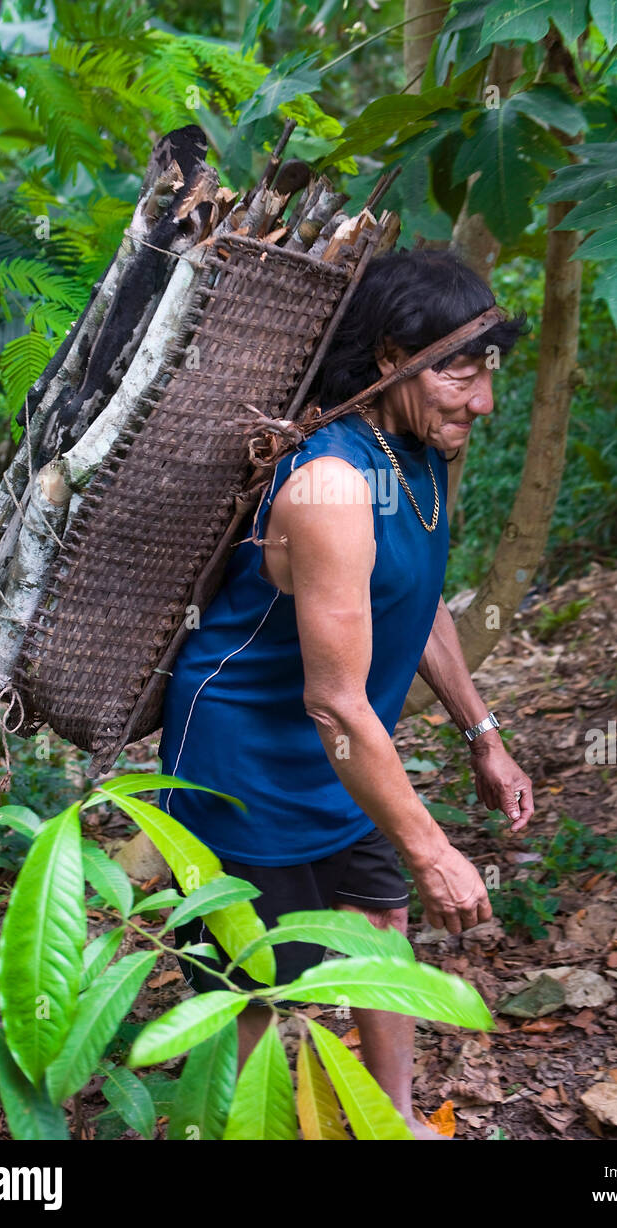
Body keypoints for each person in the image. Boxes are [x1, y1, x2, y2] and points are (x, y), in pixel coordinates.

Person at [158, 247, 534, 1138]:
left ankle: (392, 1120)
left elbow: (418, 597)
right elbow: (333, 702)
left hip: (349, 752)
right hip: (246, 755)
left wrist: (482, 730)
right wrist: (435, 846)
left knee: (377, 919)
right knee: (255, 981)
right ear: (387, 358)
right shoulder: (332, 483)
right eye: (460, 376)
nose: (480, 402)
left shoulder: (416, 455)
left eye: (488, 376)